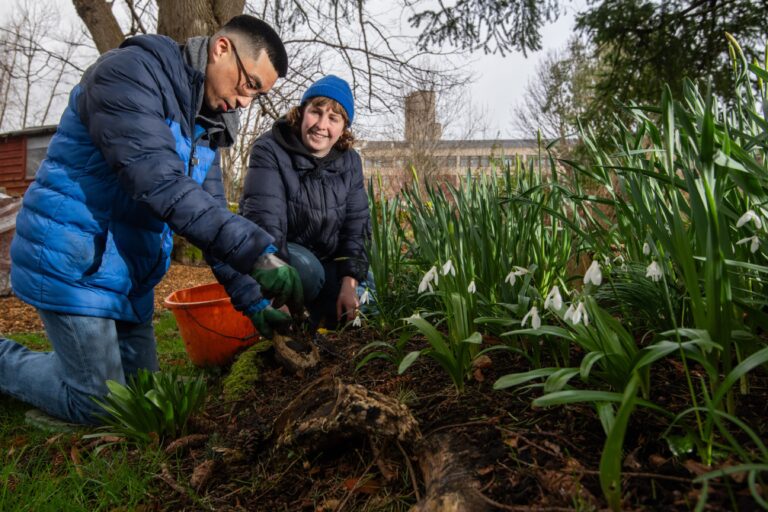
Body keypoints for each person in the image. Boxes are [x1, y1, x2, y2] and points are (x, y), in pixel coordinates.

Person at [0, 15, 303, 425]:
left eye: (258, 95)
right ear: (221, 49)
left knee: (145, 399)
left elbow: (208, 211)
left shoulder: (207, 125)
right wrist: (257, 252)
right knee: (101, 407)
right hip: (72, 258)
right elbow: (162, 183)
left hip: (127, 273)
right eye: (249, 85)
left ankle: (76, 372)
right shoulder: (129, 75)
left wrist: (253, 302)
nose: (246, 102)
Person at [238, 75, 371, 332]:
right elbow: (266, 223)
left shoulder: (350, 161)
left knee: (369, 294)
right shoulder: (270, 149)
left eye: (333, 118)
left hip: (328, 258)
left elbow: (357, 224)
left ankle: (320, 318)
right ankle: (290, 317)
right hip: (287, 256)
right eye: (316, 112)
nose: (321, 125)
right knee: (309, 272)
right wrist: (276, 292)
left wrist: (349, 283)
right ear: (301, 113)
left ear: (344, 128)